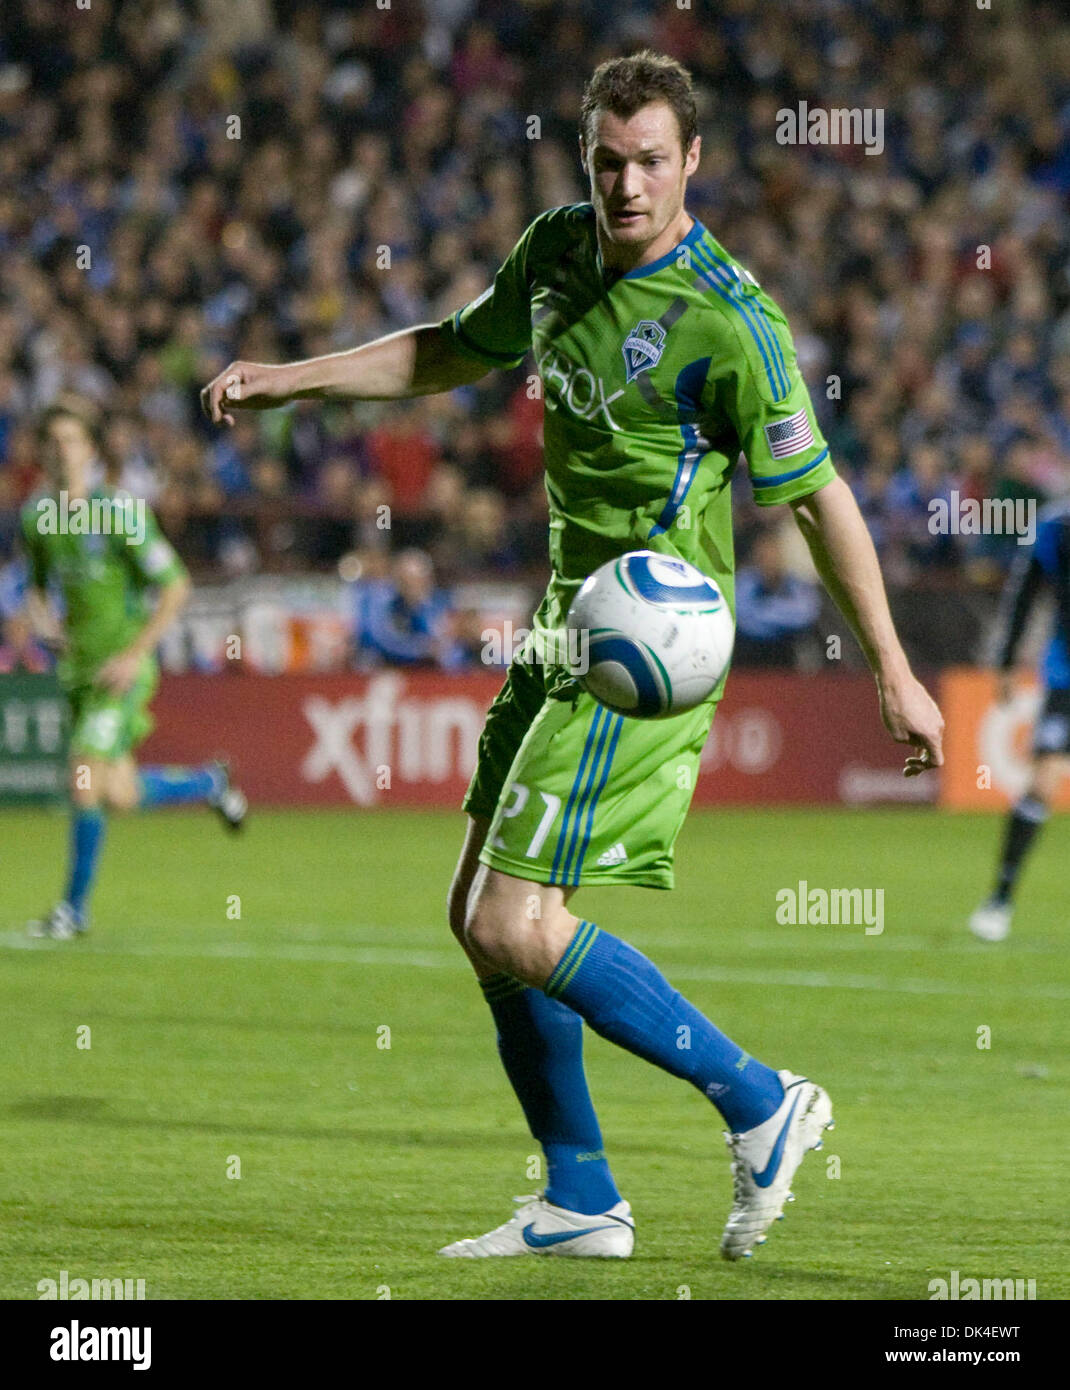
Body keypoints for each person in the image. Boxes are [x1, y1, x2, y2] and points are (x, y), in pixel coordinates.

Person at [201, 51, 943, 1262]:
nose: (626, 184)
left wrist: (893, 672)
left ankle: (760, 1102)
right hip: (564, 620)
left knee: (514, 921)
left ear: (691, 160)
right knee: (475, 913)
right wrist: (295, 381)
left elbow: (818, 500)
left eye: (650, 160)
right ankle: (581, 1195)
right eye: (606, 160)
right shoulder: (554, 249)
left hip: (649, 635)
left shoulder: (730, 320)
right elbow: (449, 347)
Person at [19, 399, 247, 940]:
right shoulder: (37, 518)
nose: (61, 451)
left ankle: (73, 911)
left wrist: (133, 655)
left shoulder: (118, 512)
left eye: (71, 441)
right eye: (52, 442)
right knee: (116, 792)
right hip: (78, 672)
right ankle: (208, 783)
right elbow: (32, 585)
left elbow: (176, 584)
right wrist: (44, 622)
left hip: (121, 671)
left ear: (92, 450)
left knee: (81, 778)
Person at [969, 497, 1070, 941]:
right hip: (1067, 675)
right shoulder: (1054, 526)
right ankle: (1000, 898)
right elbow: (1024, 594)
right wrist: (1008, 663)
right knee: (1044, 780)